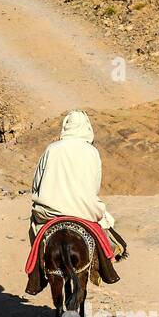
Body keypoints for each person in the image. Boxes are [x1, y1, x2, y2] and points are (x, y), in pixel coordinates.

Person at [29, 110, 125, 256]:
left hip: (49, 211)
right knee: (104, 227)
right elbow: (95, 186)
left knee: (34, 230)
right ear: (87, 128)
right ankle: (108, 266)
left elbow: (36, 184)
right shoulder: (92, 151)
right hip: (84, 210)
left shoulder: (51, 149)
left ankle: (37, 270)